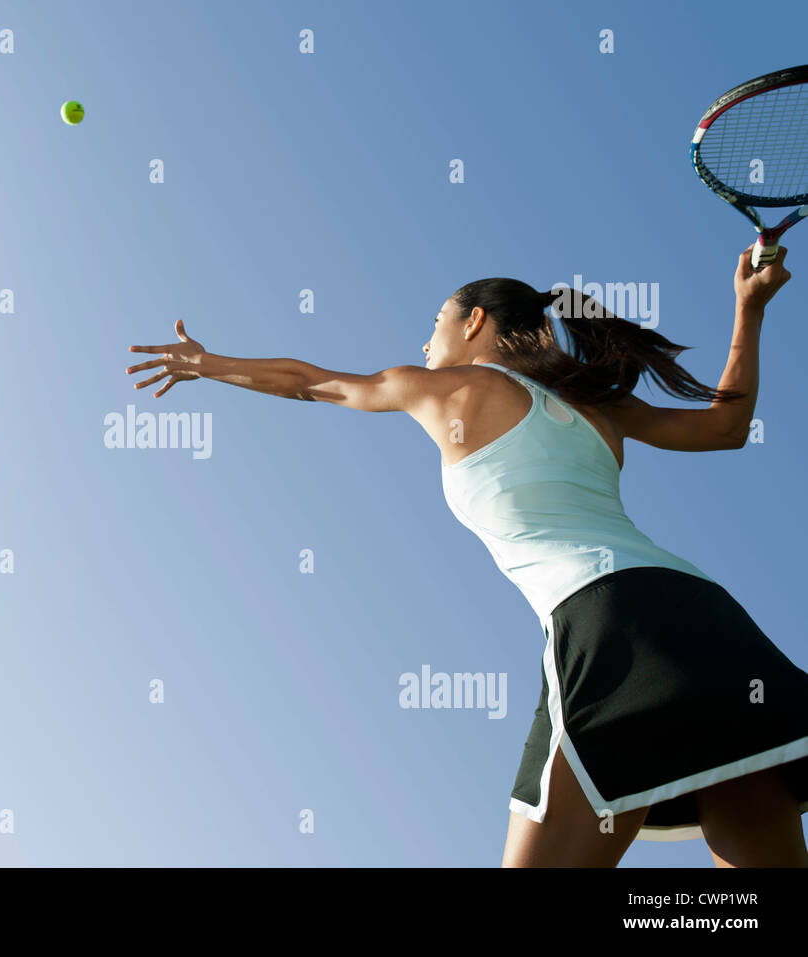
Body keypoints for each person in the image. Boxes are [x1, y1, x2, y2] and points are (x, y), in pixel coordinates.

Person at [125, 244, 807, 867]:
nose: (425, 341)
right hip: (708, 619)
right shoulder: (597, 404)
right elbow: (726, 427)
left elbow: (311, 382)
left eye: (436, 321)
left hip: (608, 619)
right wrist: (748, 311)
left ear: (475, 322)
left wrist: (207, 365)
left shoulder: (445, 389)